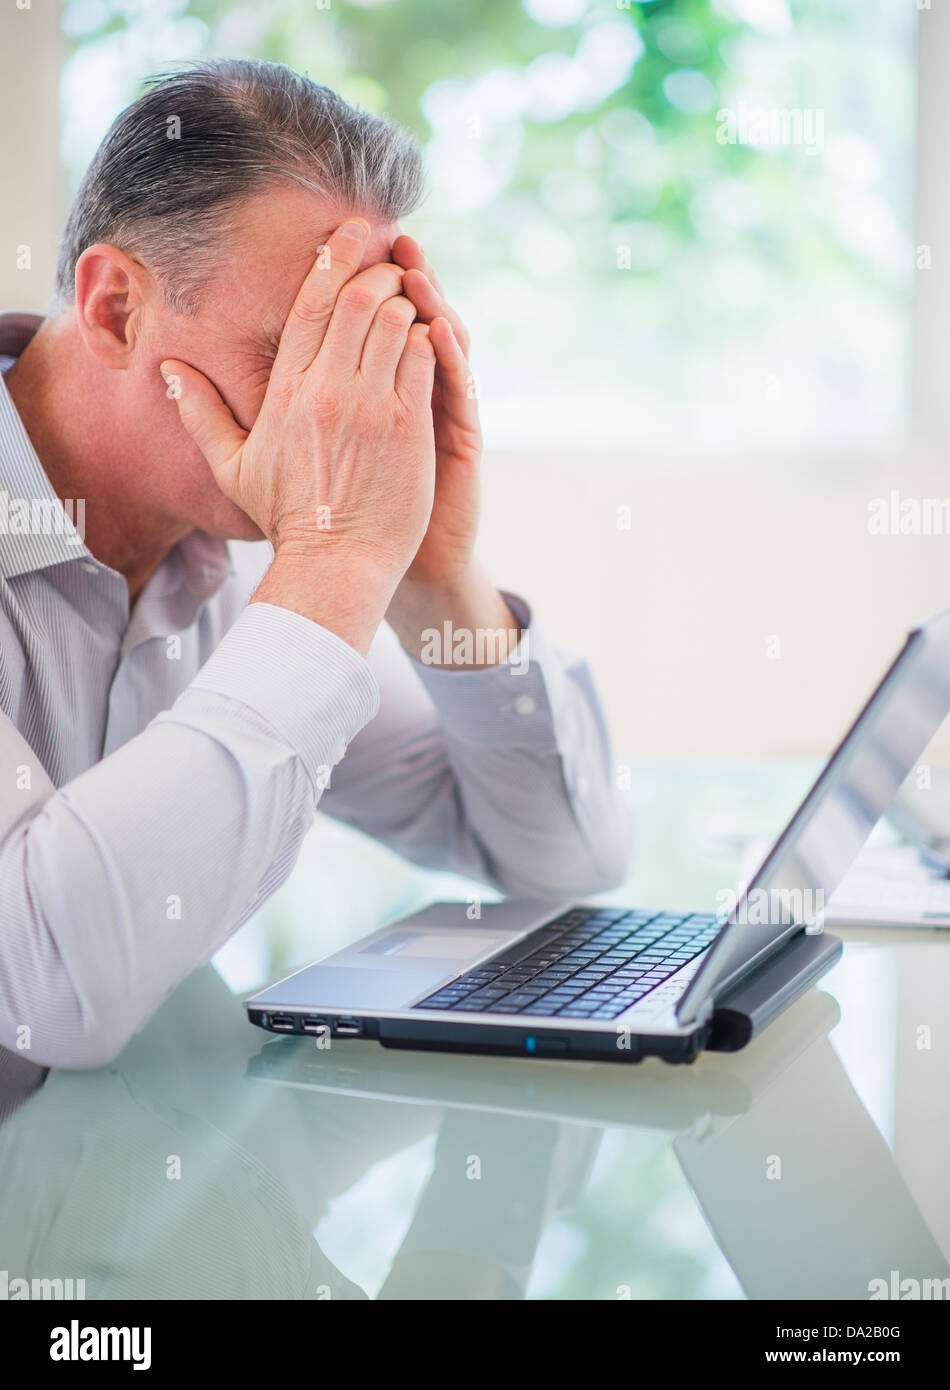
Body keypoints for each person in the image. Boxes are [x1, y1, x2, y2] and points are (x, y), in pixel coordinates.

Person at [0, 59, 628, 1070]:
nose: (339, 406)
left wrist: (431, 570)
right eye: (298, 353)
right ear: (116, 308)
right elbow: (45, 995)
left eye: (366, 352)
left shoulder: (227, 549)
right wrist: (337, 560)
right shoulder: (294, 557)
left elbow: (556, 856)